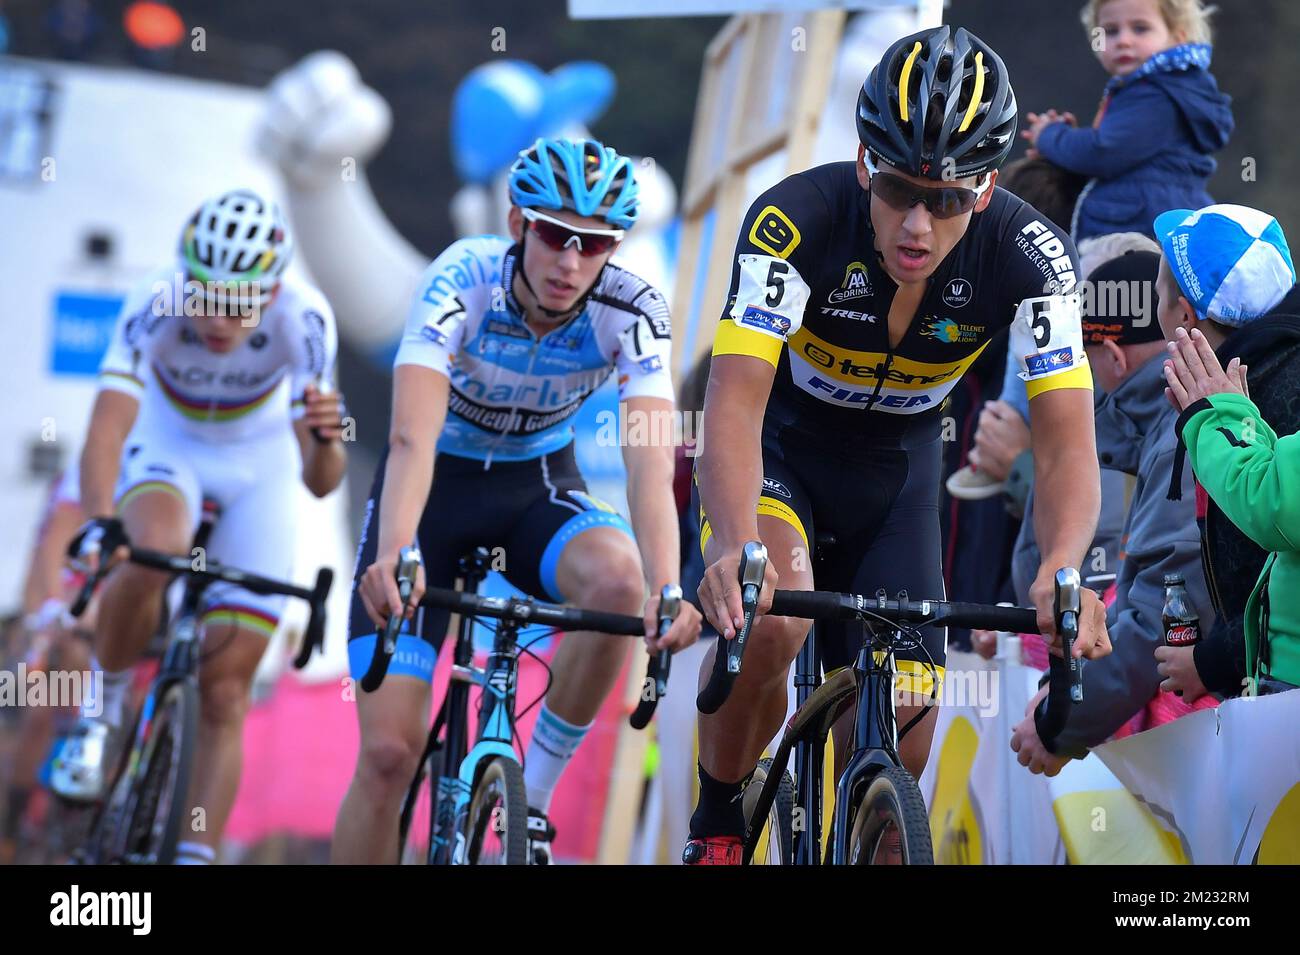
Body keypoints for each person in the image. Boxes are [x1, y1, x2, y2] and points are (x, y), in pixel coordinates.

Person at [685, 25, 1111, 863]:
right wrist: (735, 543)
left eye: (947, 198)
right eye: (897, 188)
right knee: (772, 620)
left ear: (985, 191)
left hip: (899, 481)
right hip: (784, 455)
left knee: (904, 751)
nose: (917, 221)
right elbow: (731, 404)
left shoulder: (1036, 260)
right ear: (861, 163)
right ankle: (720, 819)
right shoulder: (791, 220)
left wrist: (1064, 568)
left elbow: (1066, 447)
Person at [333, 137, 702, 866]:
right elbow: (410, 438)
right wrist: (395, 551)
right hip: (431, 491)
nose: (570, 262)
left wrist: (668, 584)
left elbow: (649, 461)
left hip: (533, 489)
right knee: (386, 756)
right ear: (516, 225)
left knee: (621, 582)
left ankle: (529, 798)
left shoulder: (634, 308)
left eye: (593, 246)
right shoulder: (460, 280)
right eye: (555, 235)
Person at [59, 188, 347, 865]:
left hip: (262, 468)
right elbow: (107, 427)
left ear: (272, 290)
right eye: (206, 295)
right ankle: (102, 710)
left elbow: (318, 479)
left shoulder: (305, 318)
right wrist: (103, 520)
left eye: (239, 302)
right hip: (170, 445)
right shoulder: (155, 298)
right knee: (150, 548)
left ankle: (196, 853)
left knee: (225, 691)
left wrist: (329, 440)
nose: (218, 316)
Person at [1007, 250, 1214, 772]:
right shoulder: (1170, 432)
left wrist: (1059, 717)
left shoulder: (1181, 439)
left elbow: (1163, 613)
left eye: (1084, 360)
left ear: (1114, 359)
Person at [1153, 204, 1300, 698]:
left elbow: (1271, 528)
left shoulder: (1271, 392)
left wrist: (1217, 661)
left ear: (1185, 315)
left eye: (1157, 291)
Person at [1022, 0, 1232, 241]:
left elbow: (1103, 153)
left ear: (1177, 36)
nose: (1123, 40)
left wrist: (1050, 135)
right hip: (1158, 221)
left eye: (1140, 28)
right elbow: (1119, 153)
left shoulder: (1155, 94)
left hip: (1138, 231)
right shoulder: (1167, 89)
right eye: (1110, 31)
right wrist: (1064, 151)